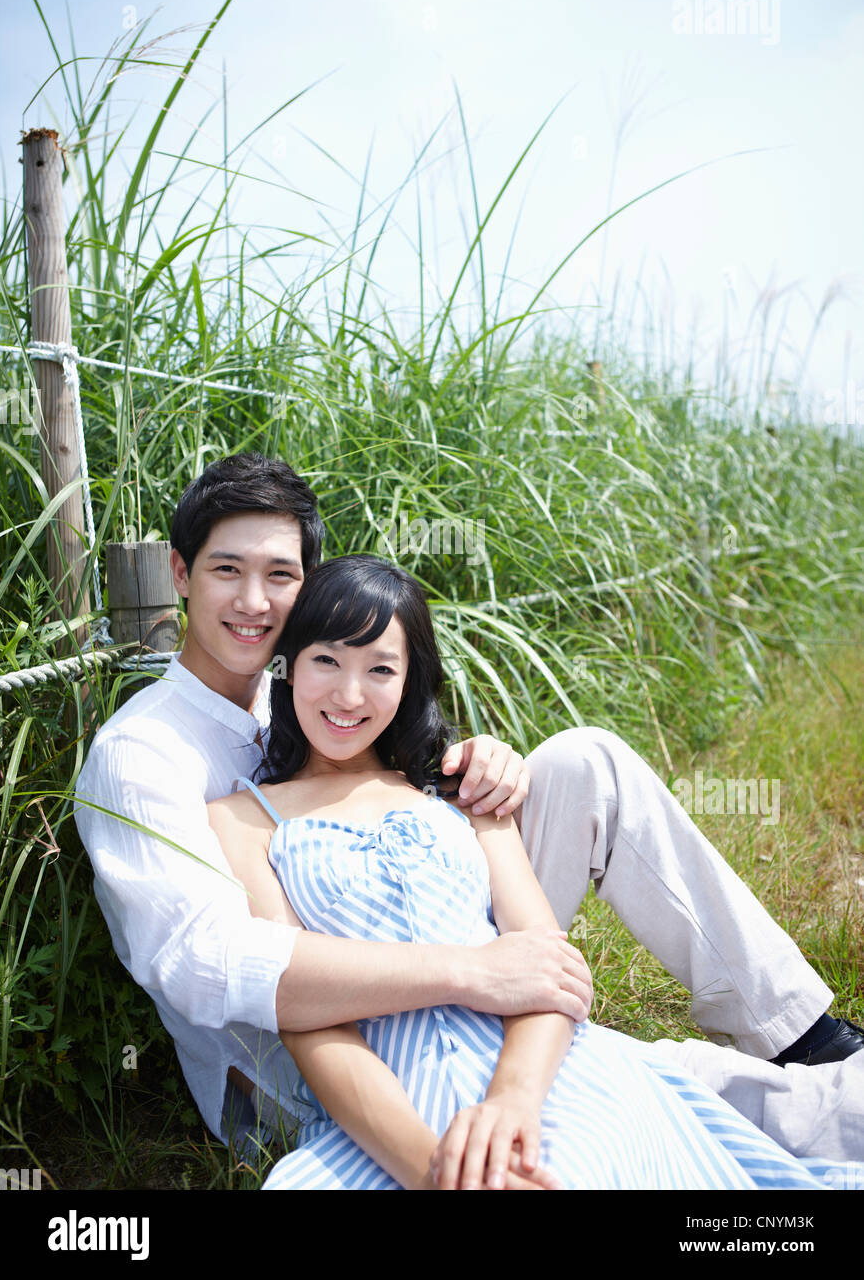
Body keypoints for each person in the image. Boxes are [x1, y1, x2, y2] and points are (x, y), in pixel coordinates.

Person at [73, 453, 862, 1166]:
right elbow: (213, 967)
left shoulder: (306, 686)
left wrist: (478, 769)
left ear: (308, 586)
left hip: (421, 938)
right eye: (225, 571)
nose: (254, 600)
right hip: (298, 1068)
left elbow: (387, 776)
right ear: (180, 574)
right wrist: (474, 973)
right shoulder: (142, 754)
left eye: (280, 575)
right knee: (668, 1087)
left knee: (586, 763)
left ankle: (799, 1033)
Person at [206, 553, 863, 1190]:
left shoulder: (458, 793)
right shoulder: (245, 818)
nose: (349, 694)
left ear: (410, 681)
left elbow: (549, 967)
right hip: (392, 1111)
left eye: (380, 667)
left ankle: (805, 1042)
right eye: (326, 660)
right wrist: (434, 1171)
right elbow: (307, 1018)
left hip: (536, 1068)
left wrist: (512, 1105)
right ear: (288, 668)